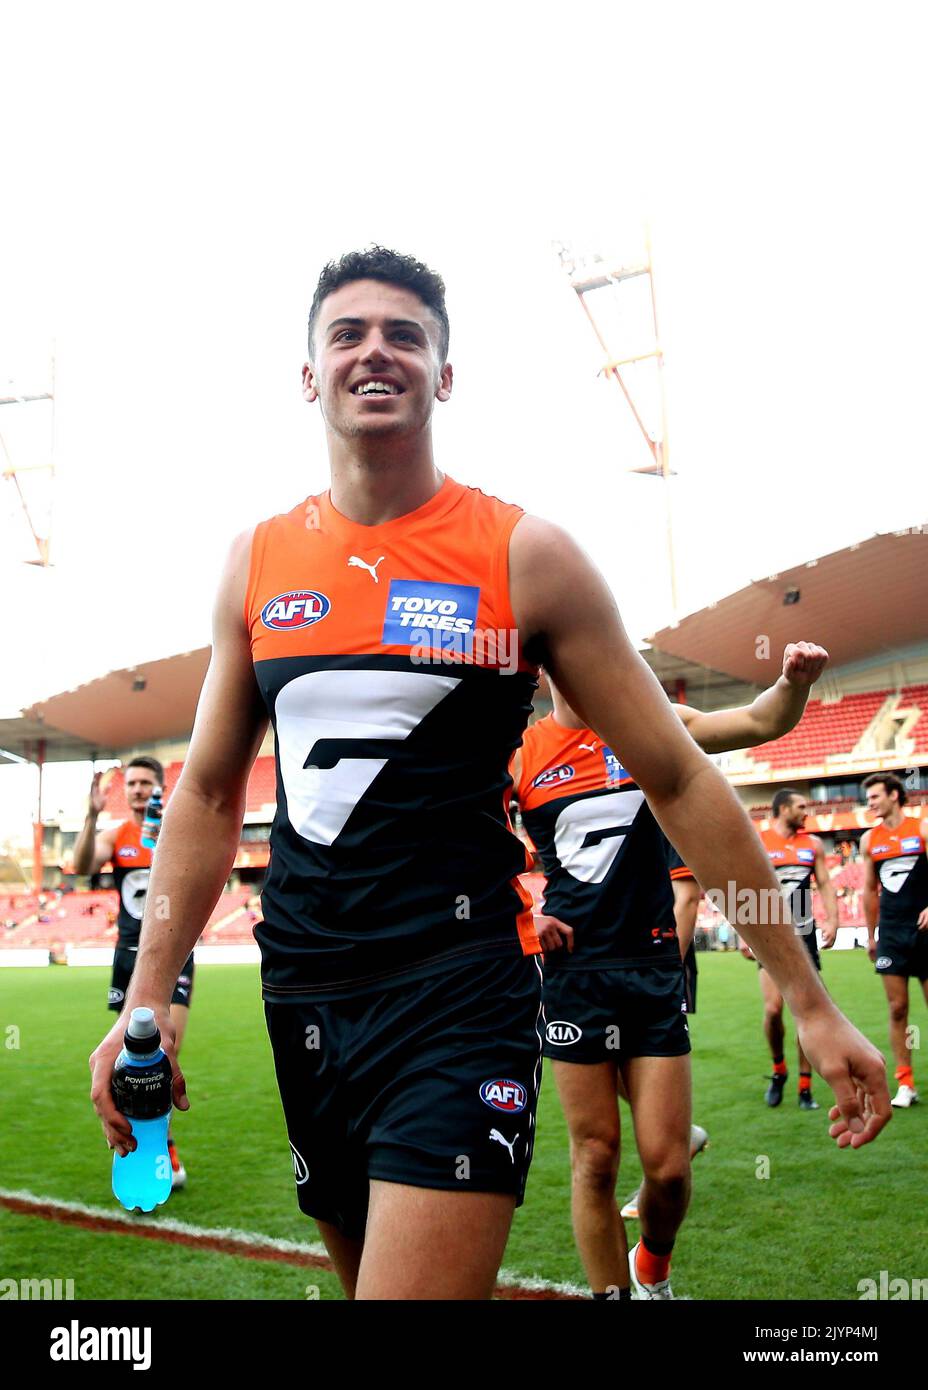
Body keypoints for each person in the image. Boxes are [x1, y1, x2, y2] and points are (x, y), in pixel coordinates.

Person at [89, 247, 889, 1303]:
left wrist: (807, 992)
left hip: (459, 993)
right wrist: (149, 1003)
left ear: (444, 375)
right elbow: (202, 795)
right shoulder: (256, 560)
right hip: (307, 992)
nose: (377, 351)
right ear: (309, 373)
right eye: (349, 333)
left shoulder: (525, 556)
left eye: (405, 335)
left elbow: (683, 779)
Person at [512, 654, 828, 1299]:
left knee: (669, 1167)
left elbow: (759, 721)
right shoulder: (520, 752)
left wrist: (792, 684)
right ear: (545, 674)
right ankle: (614, 1296)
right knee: (596, 1157)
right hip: (572, 976)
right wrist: (526, 910)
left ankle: (651, 1265)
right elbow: (468, 837)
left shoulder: (651, 725)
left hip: (654, 971)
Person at [74, 757, 190, 1187]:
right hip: (128, 956)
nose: (138, 789)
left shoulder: (175, 829)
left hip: (173, 954)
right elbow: (84, 865)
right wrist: (90, 814)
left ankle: (160, 1148)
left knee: (164, 1051)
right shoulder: (116, 834)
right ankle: (144, 1151)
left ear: (162, 786)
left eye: (146, 782)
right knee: (131, 1060)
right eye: (133, 783)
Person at [740, 788, 839, 1110]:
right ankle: (779, 1069)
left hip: (804, 932)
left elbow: (824, 883)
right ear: (783, 809)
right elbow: (743, 883)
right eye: (801, 806)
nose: (806, 811)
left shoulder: (812, 845)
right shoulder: (758, 840)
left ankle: (805, 1086)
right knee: (772, 1010)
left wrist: (832, 920)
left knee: (805, 1011)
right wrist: (744, 931)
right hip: (769, 932)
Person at [861, 773, 928, 1108]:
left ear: (894, 795)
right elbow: (868, 891)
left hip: (925, 930)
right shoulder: (869, 840)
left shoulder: (922, 828)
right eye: (868, 798)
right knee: (898, 1007)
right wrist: (871, 934)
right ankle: (905, 1083)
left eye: (875, 796)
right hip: (890, 932)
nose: (870, 802)